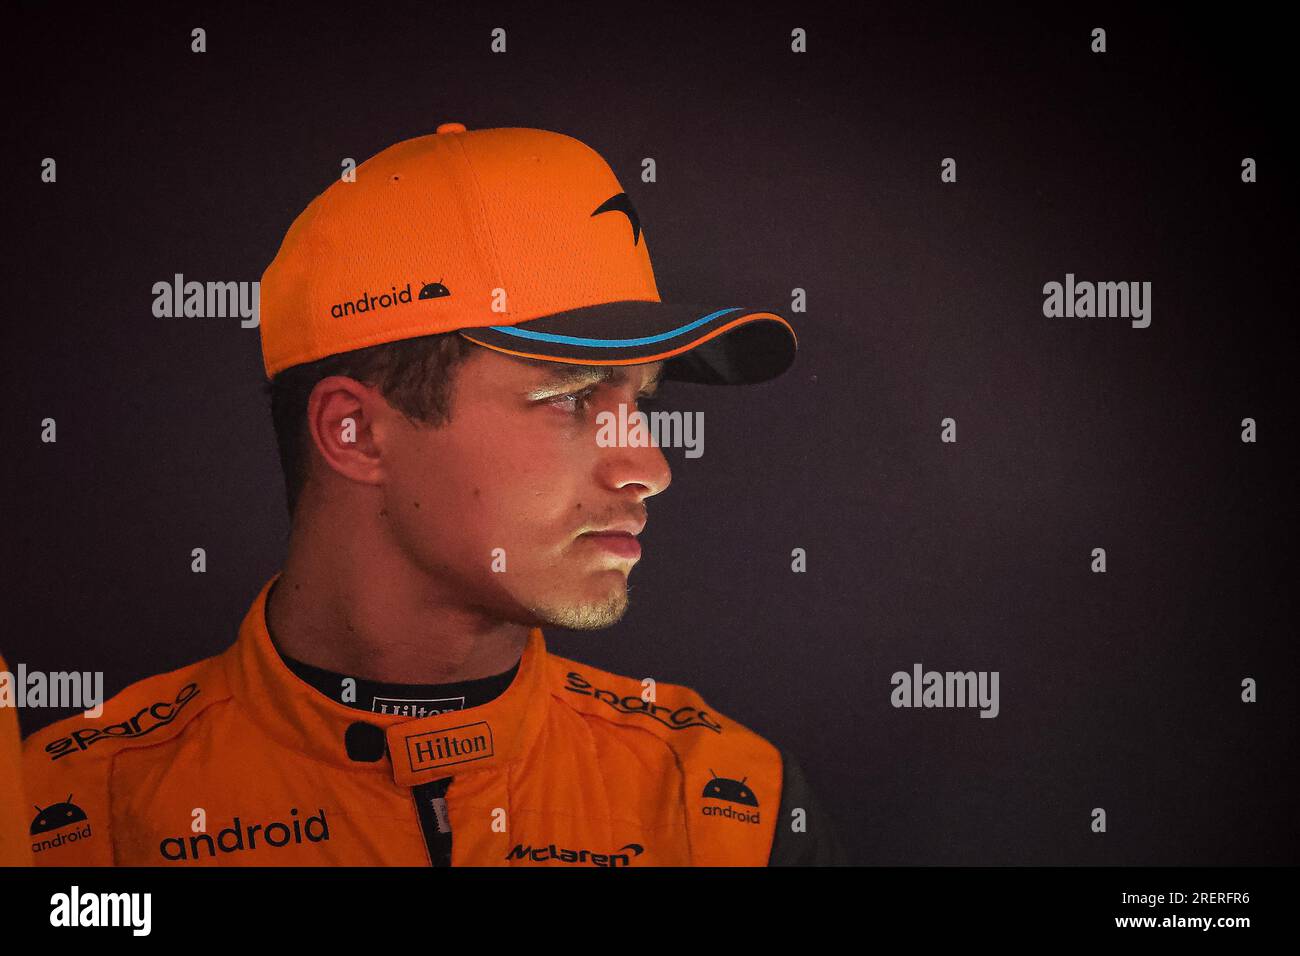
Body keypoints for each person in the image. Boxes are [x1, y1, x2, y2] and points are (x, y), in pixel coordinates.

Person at [18, 123, 847, 866]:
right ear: (355, 432)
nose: (650, 468)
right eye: (571, 397)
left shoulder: (731, 807)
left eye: (644, 402)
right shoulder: (70, 817)